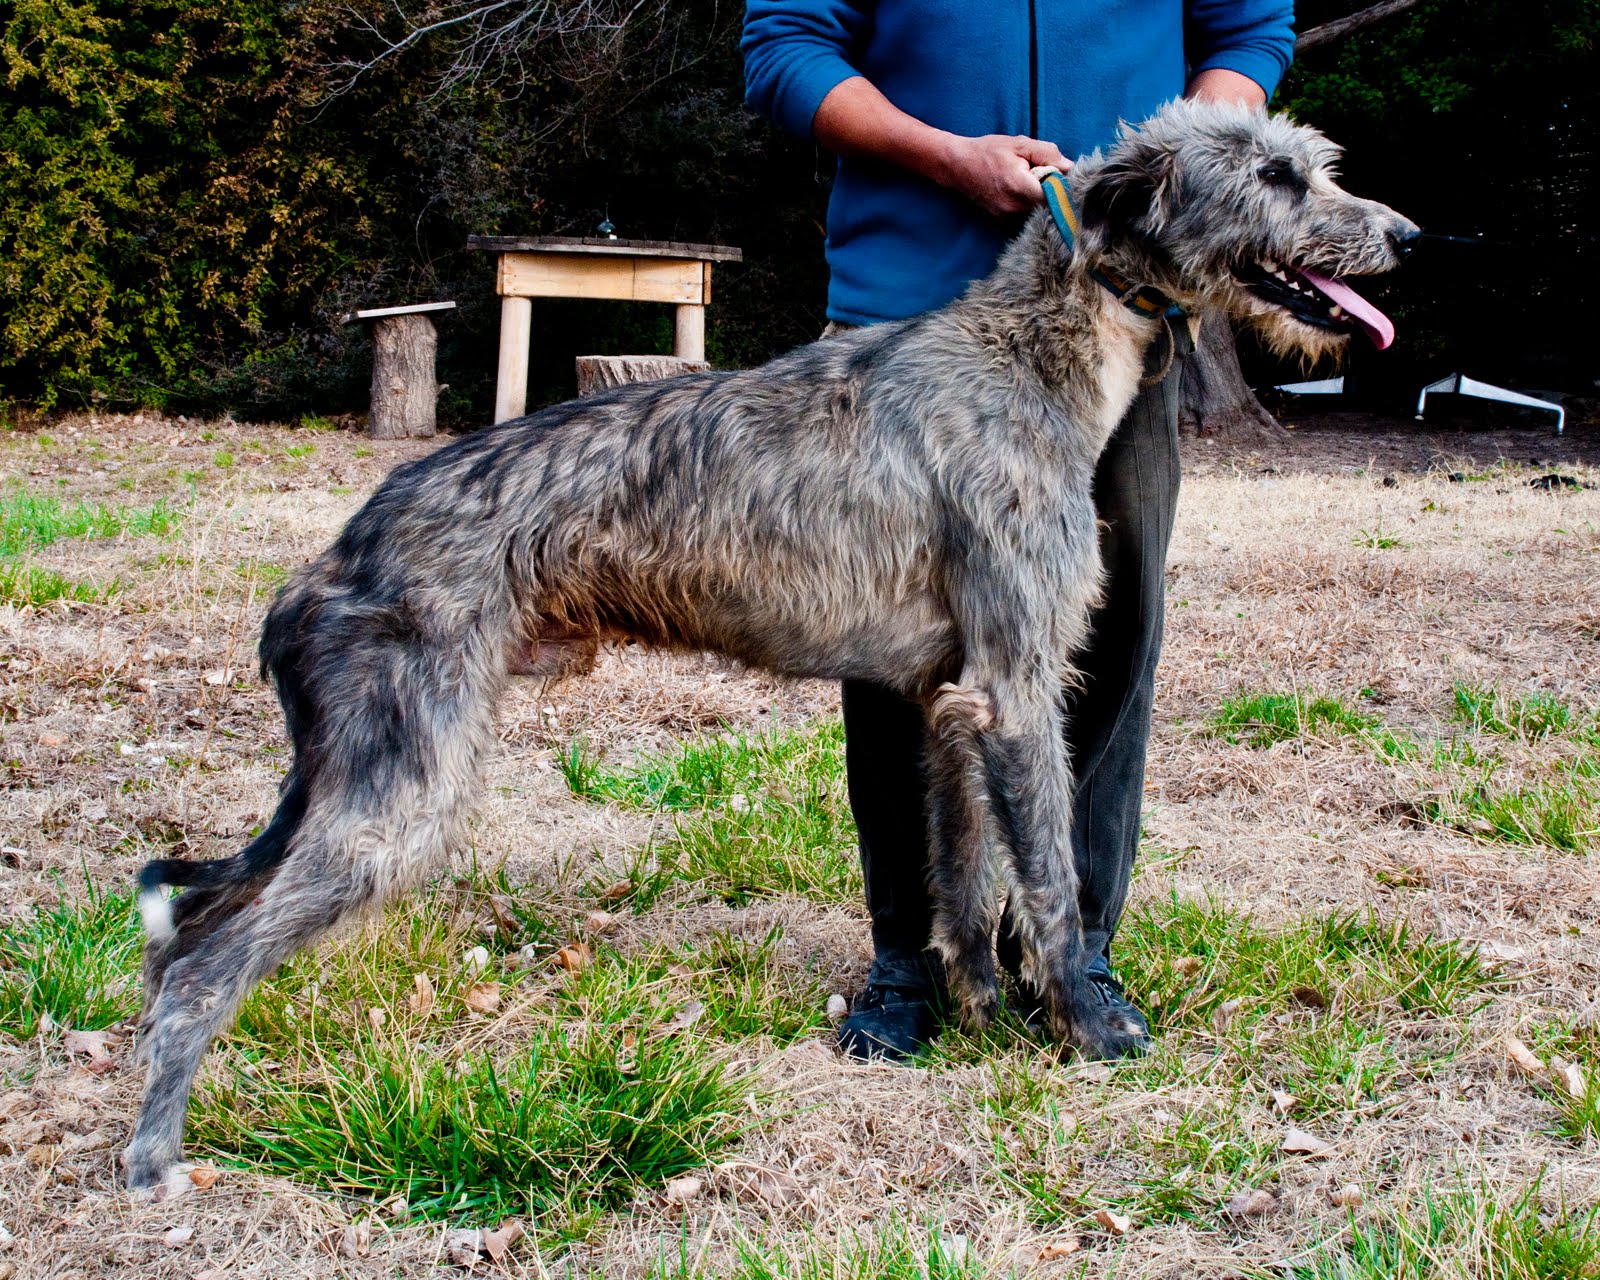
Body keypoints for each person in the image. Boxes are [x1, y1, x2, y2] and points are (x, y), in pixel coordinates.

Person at [742, 1, 1295, 1061]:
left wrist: (1182, 158)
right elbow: (785, 50)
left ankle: (1071, 949)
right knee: (897, 640)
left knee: (1107, 626)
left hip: (1120, 301)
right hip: (905, 305)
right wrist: (942, 155)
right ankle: (913, 954)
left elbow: (1250, 30)